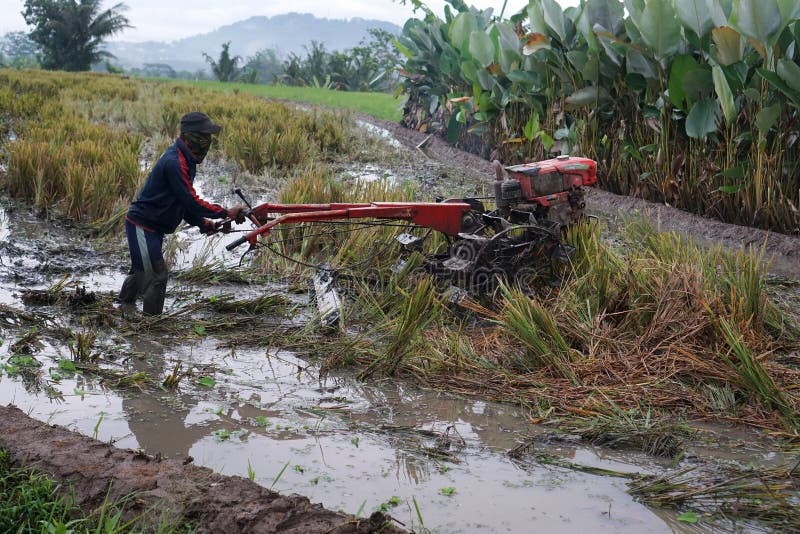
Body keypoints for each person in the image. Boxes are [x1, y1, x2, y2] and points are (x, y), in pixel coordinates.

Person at [118, 111, 246, 315]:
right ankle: (150, 326)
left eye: (208, 138)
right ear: (189, 137)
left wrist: (204, 223)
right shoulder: (175, 162)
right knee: (156, 276)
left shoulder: (186, 160)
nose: (207, 142)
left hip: (152, 228)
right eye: (203, 137)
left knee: (141, 270)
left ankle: (123, 309)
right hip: (142, 226)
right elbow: (190, 200)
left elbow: (181, 202)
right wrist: (225, 212)